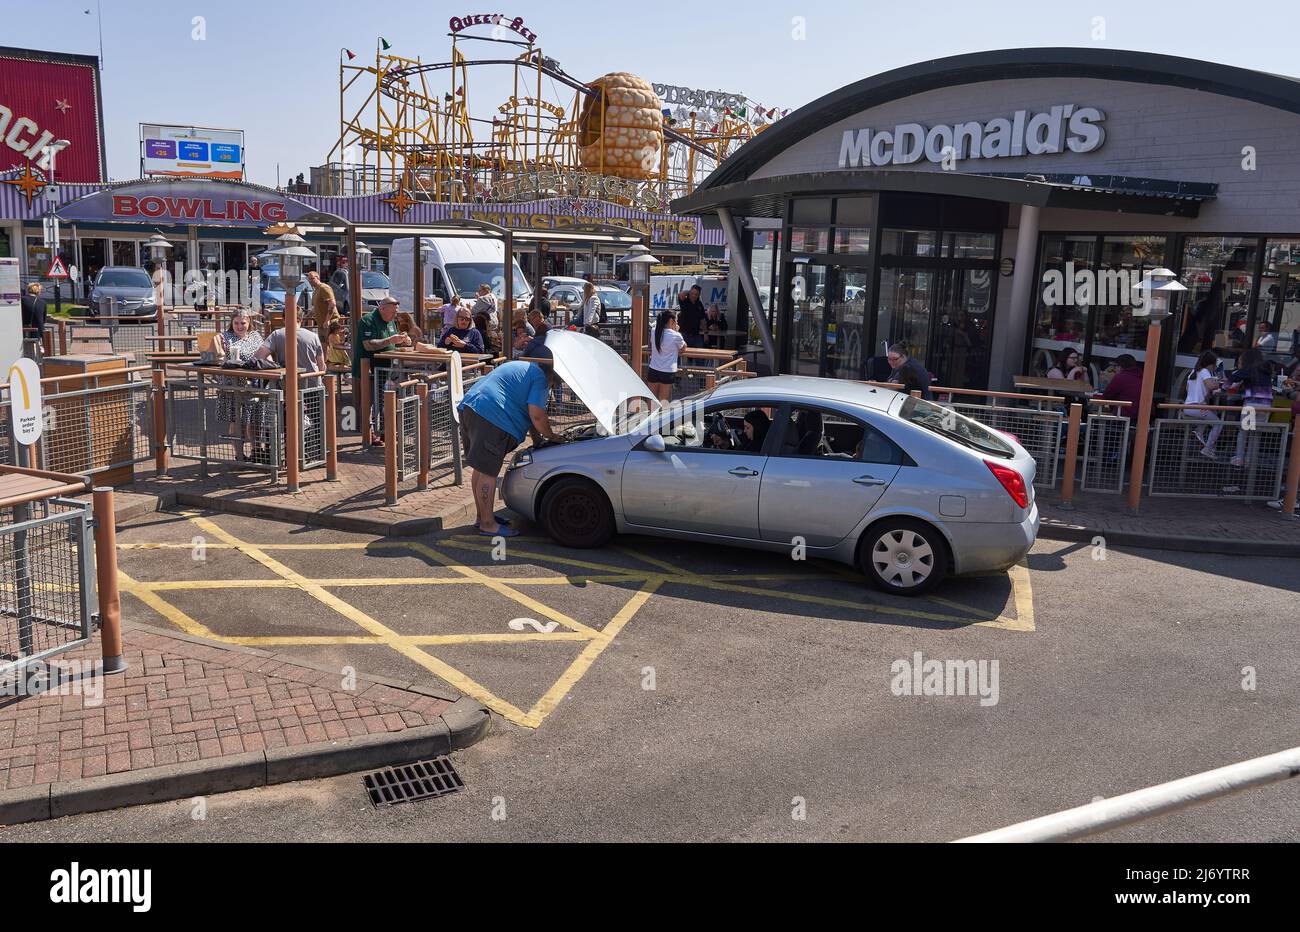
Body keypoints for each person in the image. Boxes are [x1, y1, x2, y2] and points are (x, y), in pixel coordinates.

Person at [457, 358, 566, 537]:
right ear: (551, 377)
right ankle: (487, 523)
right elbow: (537, 415)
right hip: (492, 415)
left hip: (471, 407)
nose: (551, 388)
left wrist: (538, 440)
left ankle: (482, 517)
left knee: (481, 469)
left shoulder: (525, 369)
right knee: (489, 473)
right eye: (554, 384)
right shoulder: (541, 379)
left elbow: (528, 413)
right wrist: (553, 437)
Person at [353, 296, 412, 446]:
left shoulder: (390, 321)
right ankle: (369, 433)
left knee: (385, 401)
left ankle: (386, 432)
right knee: (371, 401)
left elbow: (390, 345)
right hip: (369, 369)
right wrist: (391, 340)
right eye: (392, 312)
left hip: (387, 369)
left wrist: (402, 341)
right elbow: (368, 345)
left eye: (395, 313)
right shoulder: (367, 320)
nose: (394, 316)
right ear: (382, 308)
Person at [212, 308, 266, 462]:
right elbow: (216, 355)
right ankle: (239, 454)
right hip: (233, 385)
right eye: (236, 323)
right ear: (231, 323)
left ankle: (257, 450)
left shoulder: (256, 336)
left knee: (255, 419)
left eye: (243, 322)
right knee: (237, 420)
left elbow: (263, 355)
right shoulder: (225, 336)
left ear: (249, 322)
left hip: (254, 384)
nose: (239, 326)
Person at [254, 301, 326, 388]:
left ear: (284, 319)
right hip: (312, 385)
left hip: (287, 386)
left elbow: (258, 357)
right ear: (300, 320)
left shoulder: (276, 335)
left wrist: (272, 364)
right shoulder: (314, 336)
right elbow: (322, 367)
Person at [1227, 348, 1274, 469]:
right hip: (1266, 407)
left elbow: (1232, 377)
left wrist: (1222, 387)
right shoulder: (1266, 371)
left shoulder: (1249, 370)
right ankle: (1249, 461)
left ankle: (1239, 459)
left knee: (1244, 432)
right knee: (1255, 434)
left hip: (1251, 406)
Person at [1182, 350, 1223, 458]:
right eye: (1214, 365)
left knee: (1208, 415)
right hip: (1197, 407)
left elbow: (1187, 389)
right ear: (1210, 364)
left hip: (1188, 406)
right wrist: (1218, 383)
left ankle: (1198, 433)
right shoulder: (1205, 371)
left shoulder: (1193, 372)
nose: (1214, 367)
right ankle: (1208, 448)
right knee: (1218, 423)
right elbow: (1211, 386)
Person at [647, 309, 686, 402]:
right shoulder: (676, 335)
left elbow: (651, 344)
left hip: (653, 369)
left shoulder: (653, 331)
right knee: (663, 401)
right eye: (676, 320)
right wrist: (676, 331)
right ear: (671, 321)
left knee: (651, 400)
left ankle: (650, 416)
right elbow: (684, 348)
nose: (677, 322)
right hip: (668, 371)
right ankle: (661, 417)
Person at [307, 271, 337, 342]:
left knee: (333, 347)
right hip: (321, 324)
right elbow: (316, 307)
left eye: (312, 279)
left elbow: (332, 304)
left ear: (317, 278)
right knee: (323, 346)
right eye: (309, 280)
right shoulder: (315, 291)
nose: (310, 281)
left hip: (330, 323)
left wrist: (327, 320)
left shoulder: (324, 288)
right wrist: (307, 315)